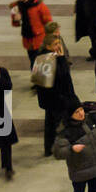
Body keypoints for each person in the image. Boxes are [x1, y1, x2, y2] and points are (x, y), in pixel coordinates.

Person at [34, 25, 77, 156]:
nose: (58, 45)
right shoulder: (51, 59)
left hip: (49, 98)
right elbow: (63, 75)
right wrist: (62, 57)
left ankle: (48, 149)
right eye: (55, 44)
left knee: (50, 124)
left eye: (59, 42)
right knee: (65, 121)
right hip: (58, 97)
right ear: (48, 46)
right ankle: (67, 146)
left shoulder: (40, 57)